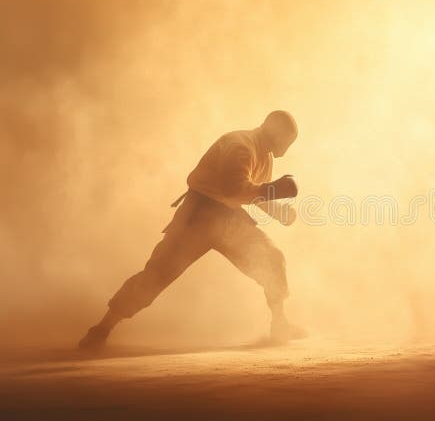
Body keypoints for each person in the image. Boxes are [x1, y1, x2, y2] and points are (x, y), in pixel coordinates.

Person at [79, 110, 304, 349]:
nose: (287, 147)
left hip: (229, 219)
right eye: (287, 141)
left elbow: (251, 193)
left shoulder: (264, 155)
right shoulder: (240, 145)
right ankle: (102, 328)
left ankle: (280, 323)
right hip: (199, 216)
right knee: (156, 274)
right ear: (275, 133)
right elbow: (234, 190)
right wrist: (273, 190)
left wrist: (278, 210)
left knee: (271, 259)